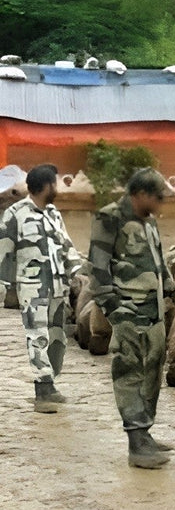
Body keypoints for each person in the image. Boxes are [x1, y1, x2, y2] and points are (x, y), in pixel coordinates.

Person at [89, 168, 175, 469]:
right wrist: (114, 311)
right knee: (129, 373)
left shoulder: (151, 223)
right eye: (157, 198)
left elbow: (160, 264)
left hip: (154, 311)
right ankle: (135, 443)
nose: (161, 204)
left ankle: (145, 432)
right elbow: (98, 268)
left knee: (153, 372)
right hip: (128, 311)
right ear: (140, 194)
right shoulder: (110, 218)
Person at [0, 164, 83, 413]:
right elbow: (4, 251)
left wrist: (77, 271)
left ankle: (50, 382)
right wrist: (4, 287)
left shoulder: (54, 214)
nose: (57, 188)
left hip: (57, 286)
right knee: (38, 337)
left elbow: (66, 244)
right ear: (43, 186)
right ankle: (42, 390)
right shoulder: (15, 214)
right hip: (32, 286)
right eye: (54, 184)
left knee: (58, 338)